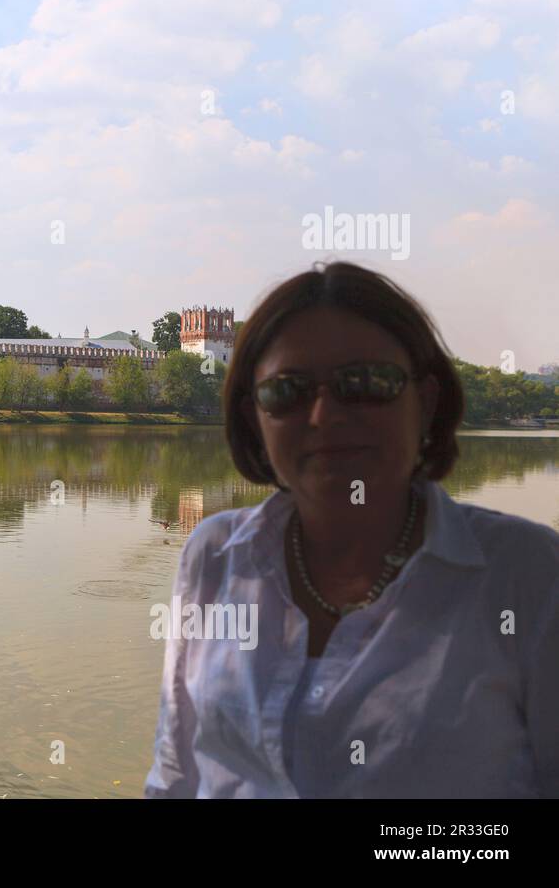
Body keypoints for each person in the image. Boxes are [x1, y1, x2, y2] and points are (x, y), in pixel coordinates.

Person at [144, 261, 559, 797]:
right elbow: (175, 777)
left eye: (365, 383)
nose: (324, 415)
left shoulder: (529, 576)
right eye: (287, 390)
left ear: (426, 402)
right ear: (254, 418)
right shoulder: (214, 556)